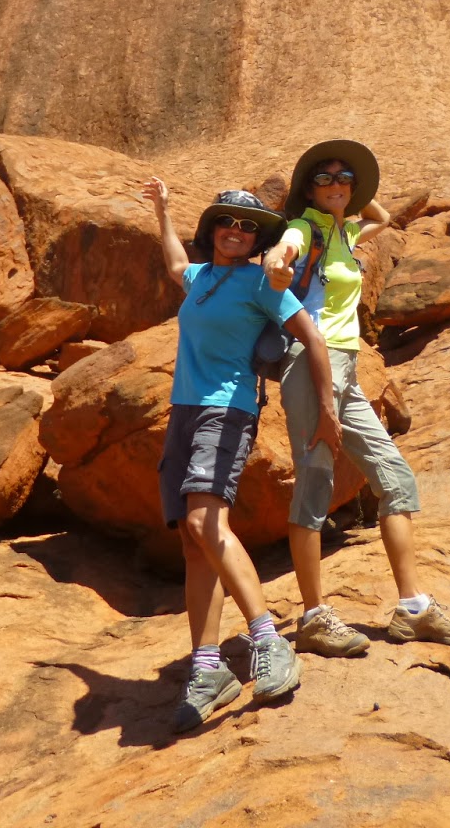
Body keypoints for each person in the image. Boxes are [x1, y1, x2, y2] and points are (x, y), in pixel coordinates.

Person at [143, 178, 343, 734]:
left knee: (207, 522)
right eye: (228, 222)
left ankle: (269, 640)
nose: (236, 231)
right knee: (193, 541)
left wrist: (327, 410)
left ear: (258, 240)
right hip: (184, 411)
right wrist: (163, 211)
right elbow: (175, 265)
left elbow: (312, 336)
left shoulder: (263, 282)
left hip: (227, 409)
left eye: (248, 226)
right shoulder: (201, 278)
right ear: (213, 230)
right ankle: (208, 668)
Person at [263, 139, 450, 657]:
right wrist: (276, 265)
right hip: (310, 364)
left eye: (345, 177)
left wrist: (356, 191)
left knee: (395, 478)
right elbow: (281, 252)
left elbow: (382, 217)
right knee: (314, 483)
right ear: (308, 190)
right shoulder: (306, 228)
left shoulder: (345, 231)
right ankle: (313, 617)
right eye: (325, 178)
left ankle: (413, 609)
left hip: (347, 368)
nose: (336, 184)